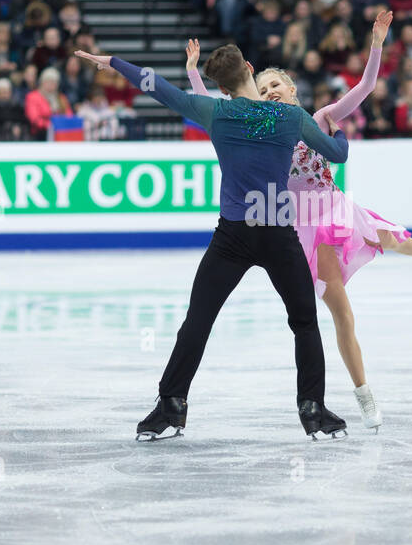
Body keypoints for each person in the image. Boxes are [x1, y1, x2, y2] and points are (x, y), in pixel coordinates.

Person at [185, 13, 412, 431]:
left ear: (292, 87)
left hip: (336, 210)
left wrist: (376, 44)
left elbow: (366, 88)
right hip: (301, 230)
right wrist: (194, 73)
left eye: (276, 84)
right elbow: (208, 108)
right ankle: (363, 392)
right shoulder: (259, 125)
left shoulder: (319, 118)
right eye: (262, 89)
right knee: (341, 314)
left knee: (392, 238)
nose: (269, 92)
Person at [73, 43, 351, 442]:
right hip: (277, 235)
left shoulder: (214, 111)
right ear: (250, 69)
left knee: (198, 323)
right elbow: (337, 155)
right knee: (304, 322)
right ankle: (313, 410)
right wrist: (338, 129)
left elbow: (157, 87)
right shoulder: (292, 116)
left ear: (221, 87)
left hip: (233, 236)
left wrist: (115, 63)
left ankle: (170, 406)